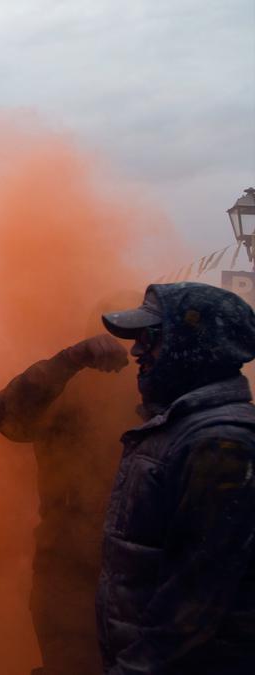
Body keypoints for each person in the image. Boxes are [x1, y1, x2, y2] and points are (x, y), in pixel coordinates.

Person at [97, 282, 255, 674]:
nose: (136, 351)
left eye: (150, 336)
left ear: (195, 345)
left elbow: (194, 604)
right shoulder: (182, 429)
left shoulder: (220, 443)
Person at [0, 324, 138, 675]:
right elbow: (4, 416)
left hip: (140, 583)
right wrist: (70, 360)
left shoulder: (164, 400)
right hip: (68, 577)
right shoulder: (64, 395)